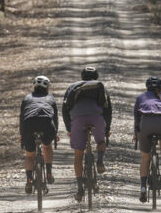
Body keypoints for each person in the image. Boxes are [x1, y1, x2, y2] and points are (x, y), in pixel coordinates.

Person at [62, 66, 112, 200]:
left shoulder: (72, 87)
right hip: (97, 118)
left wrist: (69, 129)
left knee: (78, 155)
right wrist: (107, 129)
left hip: (78, 119)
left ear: (82, 76)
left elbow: (65, 109)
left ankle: (79, 188)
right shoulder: (100, 87)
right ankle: (100, 159)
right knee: (101, 141)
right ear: (96, 76)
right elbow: (108, 108)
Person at [134, 76, 161, 202]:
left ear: (147, 87)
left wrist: (136, 134)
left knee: (145, 158)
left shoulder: (141, 97)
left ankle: (142, 188)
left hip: (145, 125)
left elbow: (137, 118)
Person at [18, 75, 58, 194]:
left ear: (34, 86)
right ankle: (49, 173)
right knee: (47, 146)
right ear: (47, 88)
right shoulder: (50, 98)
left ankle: (29, 179)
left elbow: (22, 118)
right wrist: (54, 134)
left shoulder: (27, 98)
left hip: (28, 125)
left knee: (30, 155)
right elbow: (55, 118)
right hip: (46, 124)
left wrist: (22, 134)